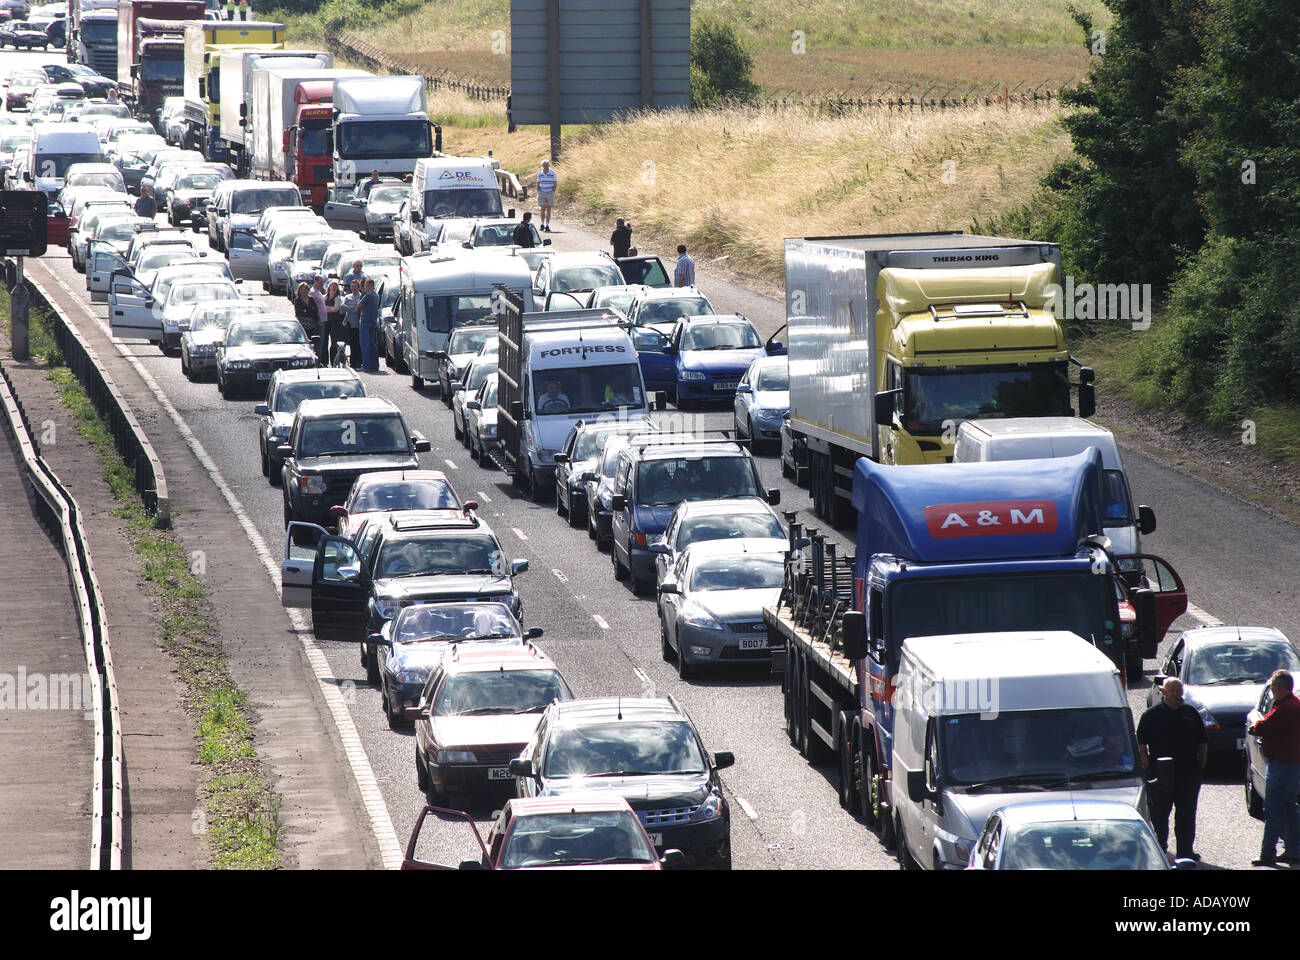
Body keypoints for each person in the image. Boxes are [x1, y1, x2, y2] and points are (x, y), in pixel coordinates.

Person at [1136, 677, 1207, 862]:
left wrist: (1199, 769)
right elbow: (1141, 746)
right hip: (1161, 776)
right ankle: (1160, 851)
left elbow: (1203, 744)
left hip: (1188, 775)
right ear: (1163, 692)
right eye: (1172, 690)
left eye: (1179, 690)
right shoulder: (1151, 715)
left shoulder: (1190, 713)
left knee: (1186, 815)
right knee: (1159, 817)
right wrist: (1149, 770)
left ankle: (1185, 852)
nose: (1176, 694)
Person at [1249, 669, 1300, 866]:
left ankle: (1268, 853)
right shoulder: (1291, 704)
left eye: (1272, 687)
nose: (1271, 690)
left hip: (1283, 764)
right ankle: (1294, 850)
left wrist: (1256, 728)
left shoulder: (1286, 708)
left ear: (1278, 688)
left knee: (1273, 808)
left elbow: (1261, 727)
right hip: (1290, 764)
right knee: (1288, 807)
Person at [358, 277, 381, 373]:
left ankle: (367, 365)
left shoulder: (368, 295)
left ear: (369, 286)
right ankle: (375, 365)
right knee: (372, 344)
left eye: (365, 286)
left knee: (365, 345)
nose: (364, 287)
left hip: (365, 321)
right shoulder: (376, 295)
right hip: (373, 322)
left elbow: (358, 306)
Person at [341, 279, 363, 369]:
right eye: (352, 286)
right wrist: (352, 308)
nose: (353, 288)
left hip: (357, 323)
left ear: (359, 287)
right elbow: (342, 307)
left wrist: (351, 309)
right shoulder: (347, 297)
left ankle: (358, 361)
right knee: (351, 344)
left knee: (357, 343)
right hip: (349, 322)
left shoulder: (360, 297)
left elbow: (357, 310)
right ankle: (352, 361)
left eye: (355, 286)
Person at [324, 280, 345, 366]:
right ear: (329, 287)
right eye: (332, 285)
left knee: (334, 342)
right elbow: (321, 308)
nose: (333, 287)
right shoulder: (325, 297)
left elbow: (335, 309)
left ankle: (333, 361)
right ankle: (324, 361)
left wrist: (326, 308)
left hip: (335, 322)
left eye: (335, 286)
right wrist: (329, 308)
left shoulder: (338, 298)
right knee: (324, 341)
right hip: (326, 321)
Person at [536, 159, 557, 231]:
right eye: (544, 165)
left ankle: (547, 225)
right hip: (542, 192)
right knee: (542, 208)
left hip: (550, 192)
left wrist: (553, 190)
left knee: (549, 209)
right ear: (542, 166)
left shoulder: (553, 173)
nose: (545, 167)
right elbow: (538, 183)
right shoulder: (540, 173)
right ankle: (542, 224)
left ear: (549, 165)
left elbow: (555, 183)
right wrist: (538, 191)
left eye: (546, 165)